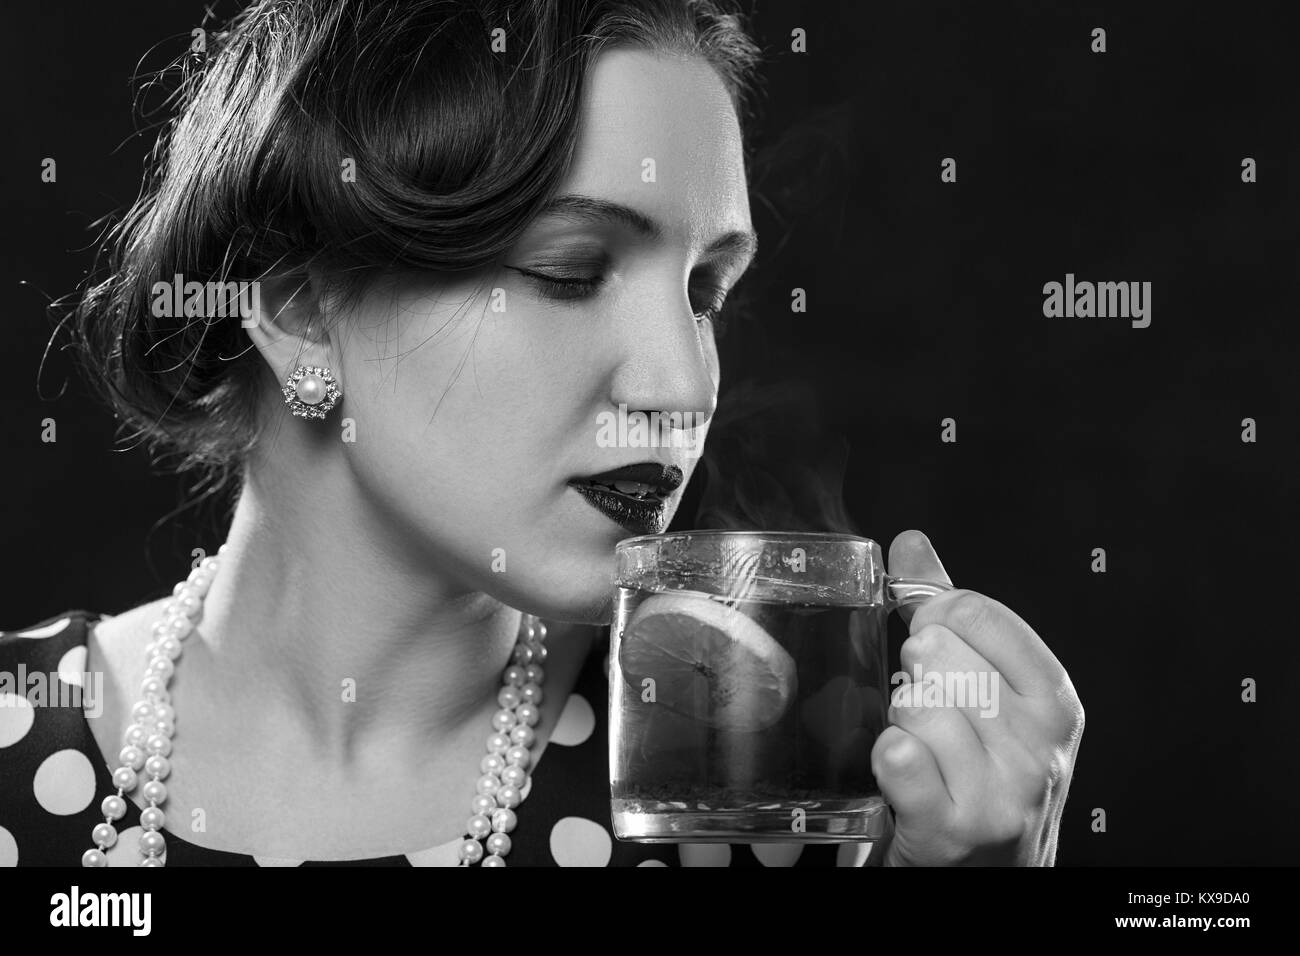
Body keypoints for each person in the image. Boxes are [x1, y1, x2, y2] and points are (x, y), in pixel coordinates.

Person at [0, 0, 1084, 867]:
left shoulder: (748, 792)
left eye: (705, 289)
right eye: (568, 272)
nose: (678, 383)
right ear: (299, 312)